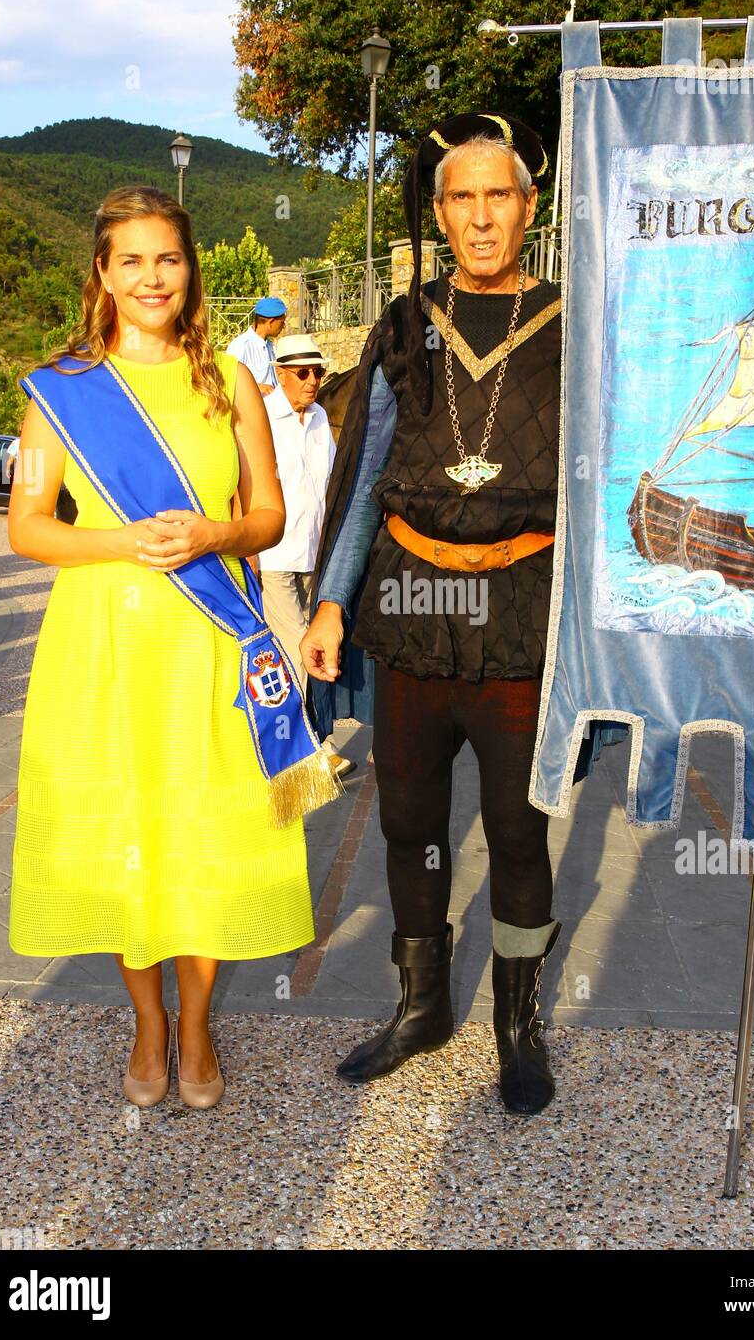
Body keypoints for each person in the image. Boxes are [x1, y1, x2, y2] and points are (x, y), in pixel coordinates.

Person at [302, 113, 623, 1115]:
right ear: (439, 215)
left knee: (517, 833)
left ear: (530, 208)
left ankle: (517, 1025)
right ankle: (420, 1007)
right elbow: (363, 485)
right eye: (461, 199)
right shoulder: (404, 322)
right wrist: (328, 600)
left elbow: (604, 481)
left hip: (521, 606)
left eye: (500, 196)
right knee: (405, 821)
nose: (480, 217)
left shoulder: (578, 324)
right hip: (408, 602)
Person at [8, 185, 335, 1111]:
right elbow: (30, 525)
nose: (153, 277)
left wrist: (209, 537)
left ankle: (193, 1023)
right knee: (130, 829)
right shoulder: (60, 390)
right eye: (133, 261)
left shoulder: (229, 382)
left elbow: (269, 516)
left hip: (206, 640)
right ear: (104, 275)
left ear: (188, 272)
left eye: (170, 259)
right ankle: (145, 1020)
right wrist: (123, 540)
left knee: (205, 831)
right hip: (103, 642)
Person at [258, 333, 355, 780]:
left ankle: (307, 743)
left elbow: (332, 481)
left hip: (316, 555)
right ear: (280, 374)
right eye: (303, 373)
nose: (313, 380)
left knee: (315, 648)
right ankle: (316, 749)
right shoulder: (262, 419)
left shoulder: (319, 419)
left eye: (318, 372)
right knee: (300, 650)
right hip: (276, 553)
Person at [226, 297, 286, 395]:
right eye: (281, 322)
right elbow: (228, 381)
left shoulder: (271, 347)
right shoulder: (241, 346)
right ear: (270, 322)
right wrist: (257, 387)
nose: (283, 326)